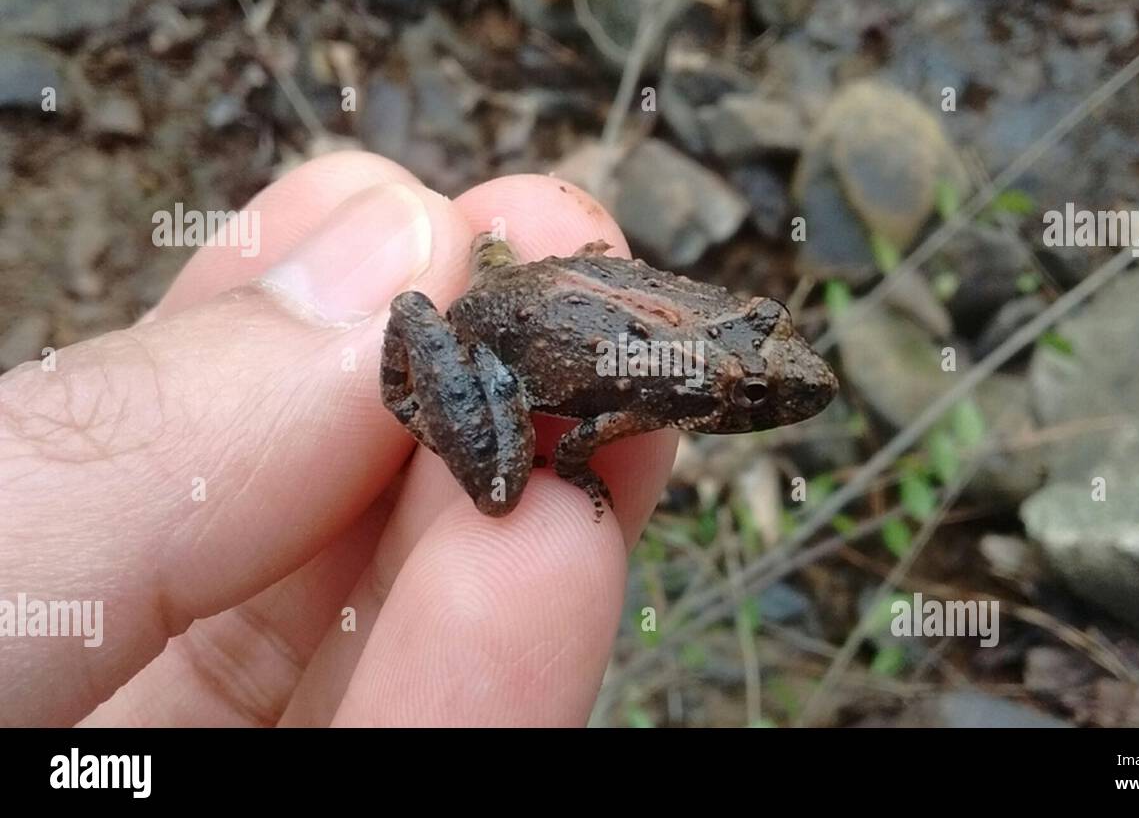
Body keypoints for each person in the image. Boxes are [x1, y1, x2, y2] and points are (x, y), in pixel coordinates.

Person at [0, 152, 677, 726]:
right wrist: (575, 467)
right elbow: (574, 443)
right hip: (491, 346)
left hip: (513, 283)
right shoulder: (662, 385)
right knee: (503, 492)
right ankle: (408, 393)